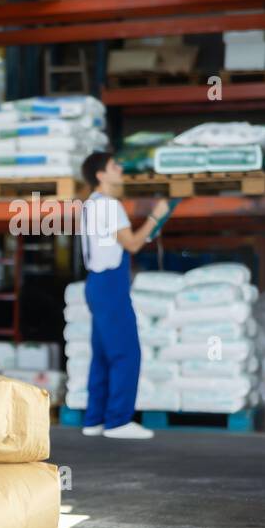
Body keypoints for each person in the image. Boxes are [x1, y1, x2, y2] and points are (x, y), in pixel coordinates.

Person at [78, 151, 168, 440]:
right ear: (101, 175)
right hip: (111, 285)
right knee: (126, 352)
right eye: (115, 166)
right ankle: (118, 422)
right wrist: (156, 216)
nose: (120, 171)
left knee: (103, 354)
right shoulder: (109, 205)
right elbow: (131, 244)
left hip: (95, 283)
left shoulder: (89, 205)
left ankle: (94, 419)